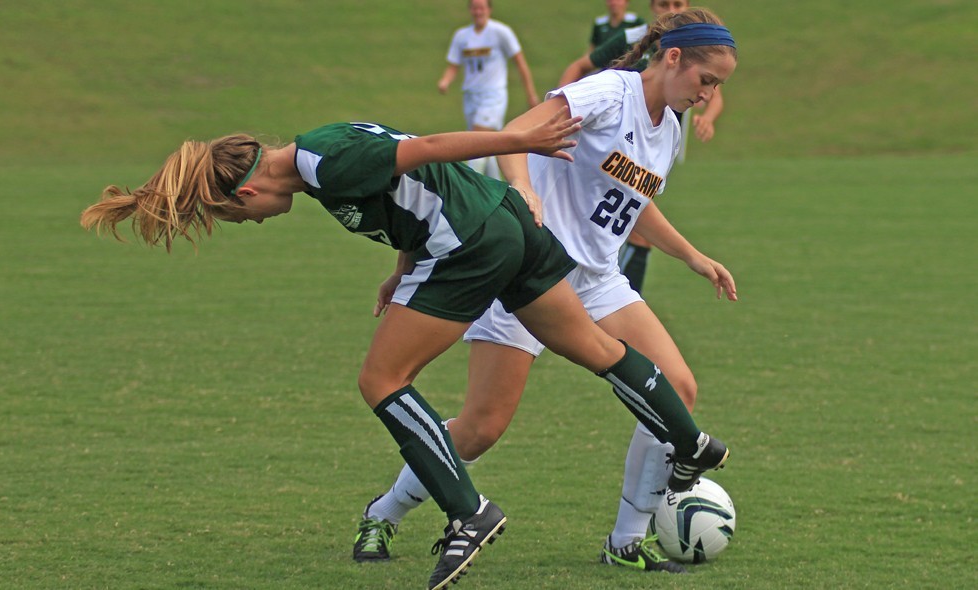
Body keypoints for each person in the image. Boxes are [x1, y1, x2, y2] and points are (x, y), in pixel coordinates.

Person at [80, 109, 729, 588]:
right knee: (594, 346)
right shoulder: (322, 156)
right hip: (503, 223)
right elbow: (414, 192)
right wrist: (402, 266)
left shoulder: (325, 163)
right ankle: (689, 439)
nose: (250, 223)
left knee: (380, 379)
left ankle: (467, 512)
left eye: (238, 218)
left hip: (471, 244)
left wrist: (518, 140)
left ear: (246, 193)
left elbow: (430, 148)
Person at [354, 8, 738, 576]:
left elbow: (631, 203)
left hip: (598, 279)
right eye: (708, 80)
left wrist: (692, 256)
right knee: (482, 428)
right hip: (526, 272)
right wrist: (523, 189)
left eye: (719, 87)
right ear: (673, 57)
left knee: (676, 389)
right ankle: (383, 513)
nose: (709, 95)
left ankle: (627, 540)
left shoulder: (670, 126)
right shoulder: (610, 92)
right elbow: (517, 135)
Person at [560, 0, 724, 294]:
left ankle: (616, 293)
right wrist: (563, 109)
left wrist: (708, 119)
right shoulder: (623, 69)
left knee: (634, 227)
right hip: (614, 146)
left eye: (678, 3)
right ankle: (609, 292)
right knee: (621, 228)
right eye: (663, 4)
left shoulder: (699, 53)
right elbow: (581, 66)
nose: (671, 9)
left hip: (654, 149)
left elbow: (716, 95)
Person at [438, 0, 540, 179]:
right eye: (475, 8)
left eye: (482, 8)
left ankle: (470, 187)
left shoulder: (500, 32)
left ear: (489, 9)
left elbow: (520, 63)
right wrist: (445, 81)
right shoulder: (462, 36)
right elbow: (453, 64)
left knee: (477, 141)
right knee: (488, 146)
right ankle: (497, 187)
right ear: (470, 10)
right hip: (470, 96)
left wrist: (530, 94)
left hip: (493, 96)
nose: (478, 12)